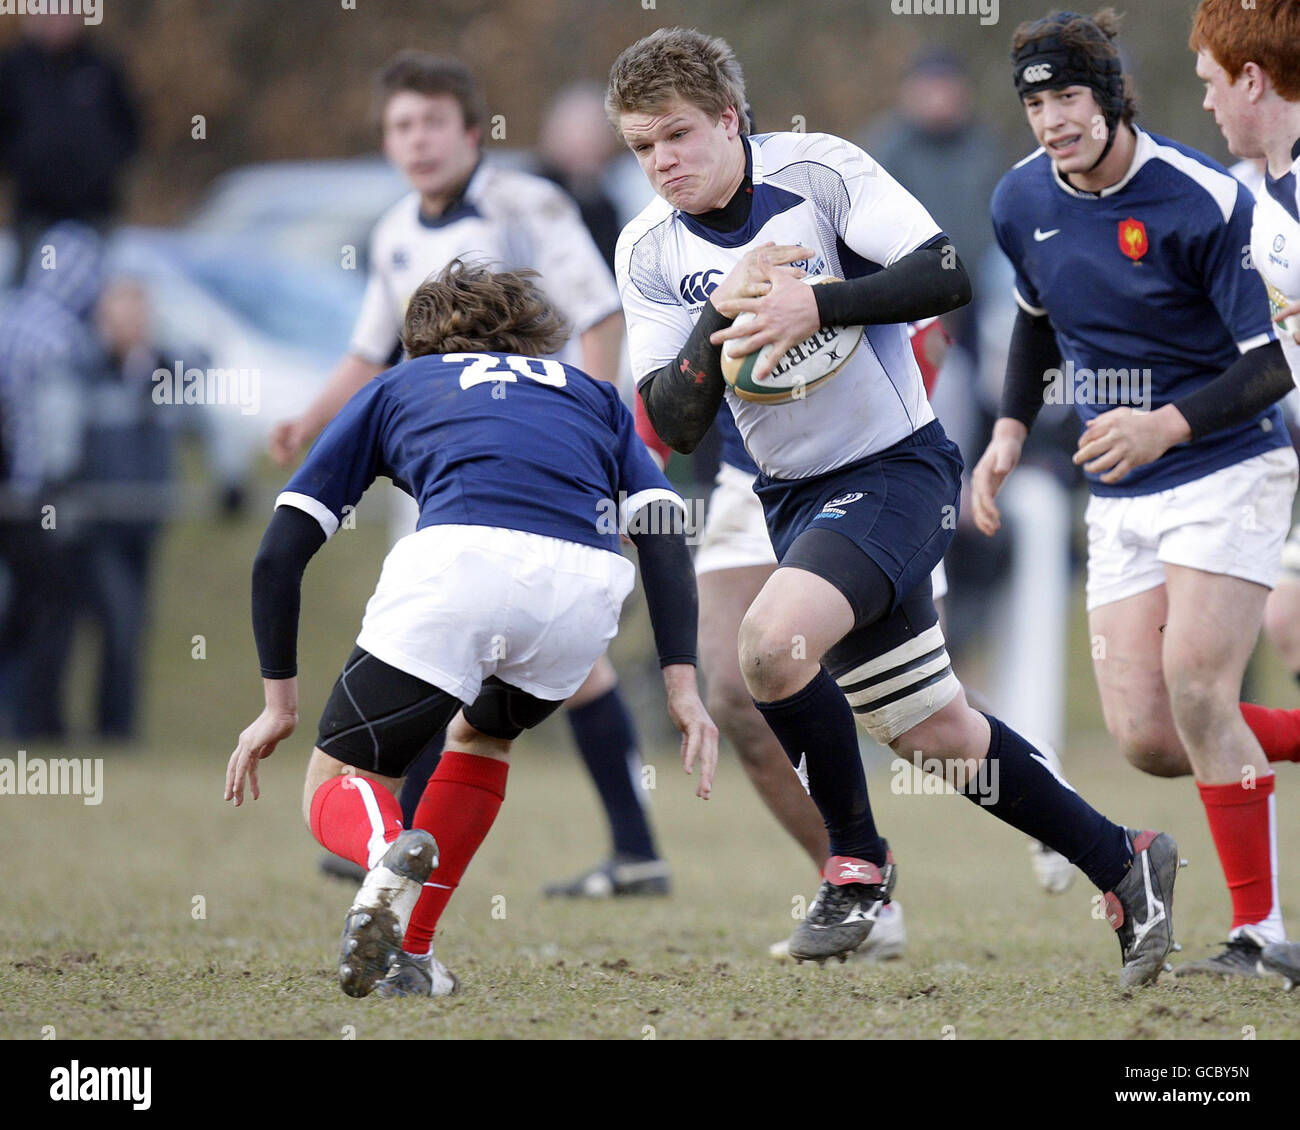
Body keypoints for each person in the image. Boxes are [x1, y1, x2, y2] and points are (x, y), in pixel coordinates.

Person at [610, 26, 1179, 986]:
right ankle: (1126, 863)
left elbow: (944, 272)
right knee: (940, 733)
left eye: (677, 136)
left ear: (729, 118)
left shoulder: (823, 173)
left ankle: (857, 865)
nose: (661, 162)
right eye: (641, 146)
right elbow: (672, 415)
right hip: (790, 497)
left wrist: (816, 304)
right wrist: (721, 316)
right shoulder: (649, 249)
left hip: (900, 470)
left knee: (766, 649)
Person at [226, 260, 717, 999]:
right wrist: (683, 684)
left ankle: (388, 850)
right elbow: (662, 529)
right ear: (534, 337)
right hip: (584, 590)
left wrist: (277, 705)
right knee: (481, 737)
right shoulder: (593, 394)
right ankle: (413, 956)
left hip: (462, 564)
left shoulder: (400, 384)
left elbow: (280, 551)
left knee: (339, 780)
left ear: (421, 343)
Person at [267, 51, 669, 897]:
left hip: (542, 469)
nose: (416, 142)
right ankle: (398, 838)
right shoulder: (394, 234)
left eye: (431, 123)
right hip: (455, 476)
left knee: (468, 654)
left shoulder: (527, 202)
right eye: (399, 127)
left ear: (470, 131)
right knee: (466, 664)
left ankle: (618, 846)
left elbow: (598, 316)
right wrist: (309, 422)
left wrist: (592, 435)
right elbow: (366, 354)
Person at [972, 8, 1300, 978]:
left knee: (1202, 683)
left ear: (1110, 97)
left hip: (1228, 464)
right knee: (1150, 736)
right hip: (1119, 492)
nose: (1051, 119)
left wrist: (1166, 423)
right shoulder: (1017, 198)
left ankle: (1261, 934)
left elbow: (1270, 366)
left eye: (1068, 96)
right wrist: (1005, 430)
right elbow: (1034, 321)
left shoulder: (1204, 201)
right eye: (1034, 101)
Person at [1191, 0, 1300, 986]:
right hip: (1274, 462)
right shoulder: (1224, 200)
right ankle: (1264, 931)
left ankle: (1265, 932)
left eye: (1211, 83)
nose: (1207, 102)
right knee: (1177, 710)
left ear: (1253, 81)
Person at [0, 14, 139, 284]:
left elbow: (130, 126)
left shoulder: (102, 67)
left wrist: (106, 164)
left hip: (94, 209)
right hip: (35, 211)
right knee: (32, 287)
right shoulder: (14, 70)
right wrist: (23, 164)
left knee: (98, 289)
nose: (58, 23)